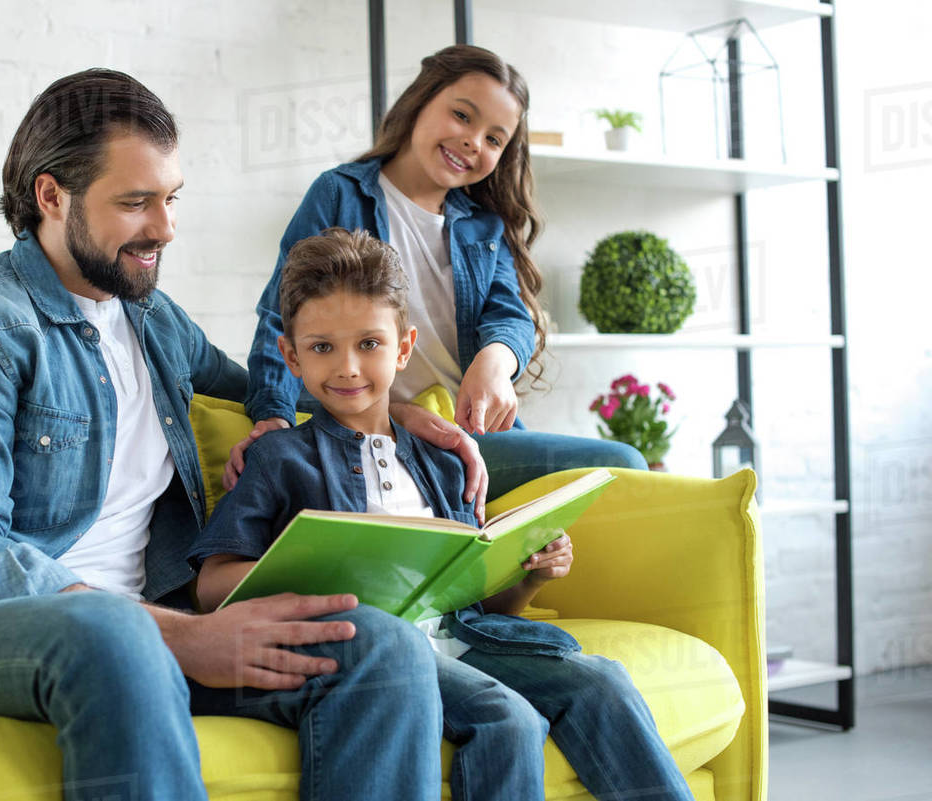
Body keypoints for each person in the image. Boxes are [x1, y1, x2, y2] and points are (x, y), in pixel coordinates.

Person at [0, 69, 447, 801]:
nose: (166, 228)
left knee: (379, 645)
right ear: (51, 197)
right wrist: (181, 636)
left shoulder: (151, 317)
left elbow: (281, 384)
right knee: (116, 634)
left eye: (171, 199)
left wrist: (394, 413)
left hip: (141, 622)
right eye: (136, 202)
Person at [191, 227, 694, 801]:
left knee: (602, 681)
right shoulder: (279, 459)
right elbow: (210, 588)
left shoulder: (439, 460)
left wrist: (527, 575)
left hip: (461, 638)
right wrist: (306, 574)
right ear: (291, 356)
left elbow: (471, 598)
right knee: (508, 718)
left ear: (403, 348)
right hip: (371, 651)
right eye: (323, 347)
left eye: (369, 344)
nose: (348, 367)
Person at [226, 44, 646, 509]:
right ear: (420, 101)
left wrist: (496, 362)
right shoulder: (339, 195)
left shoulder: (484, 225)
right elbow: (281, 318)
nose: (474, 141)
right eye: (463, 116)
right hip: (373, 431)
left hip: (462, 434)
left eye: (494, 139)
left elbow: (510, 315)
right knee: (623, 462)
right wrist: (274, 417)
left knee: (624, 471)